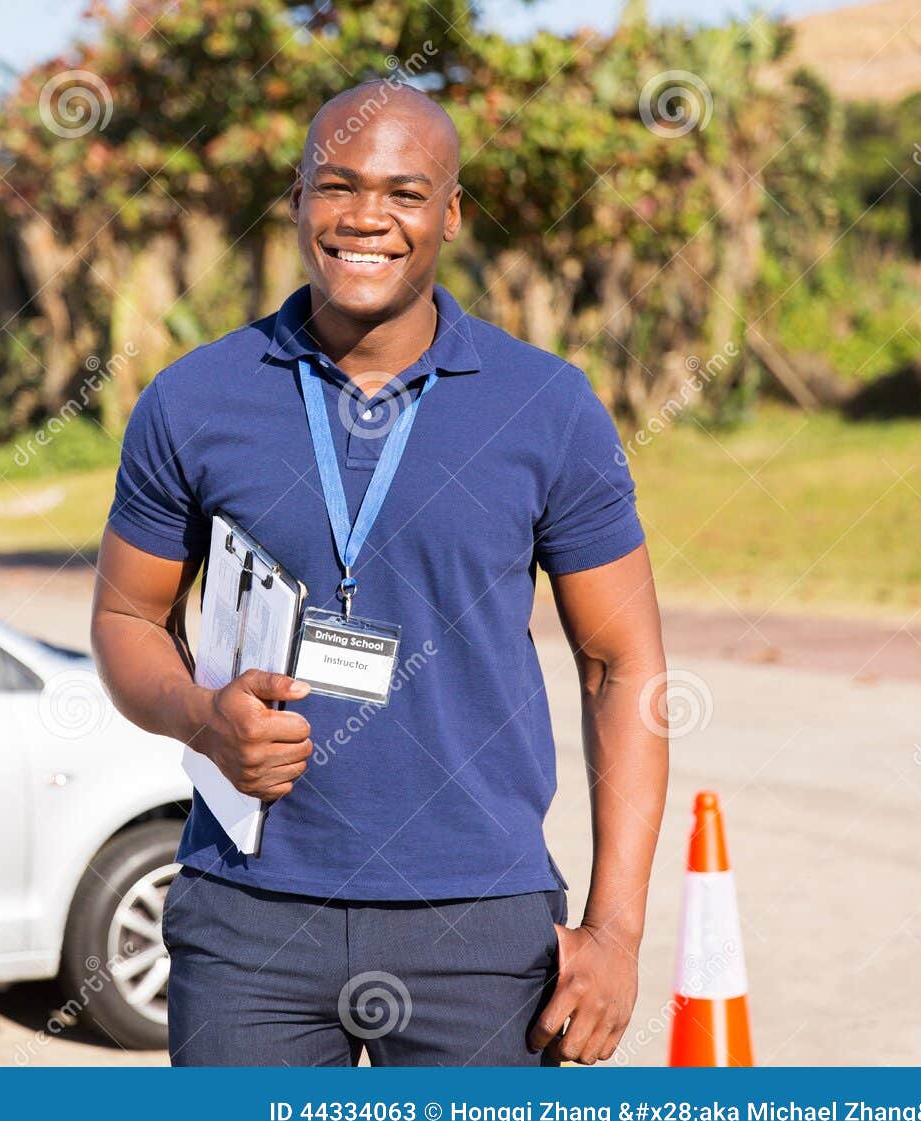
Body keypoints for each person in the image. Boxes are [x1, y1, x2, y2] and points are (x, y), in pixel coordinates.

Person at [90, 80, 669, 1066]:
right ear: (299, 200)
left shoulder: (546, 406)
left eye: (404, 193)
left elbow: (622, 667)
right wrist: (201, 718)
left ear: (450, 214)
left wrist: (615, 930)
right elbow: (123, 618)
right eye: (337, 186)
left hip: (481, 924)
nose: (366, 217)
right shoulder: (192, 400)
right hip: (247, 918)